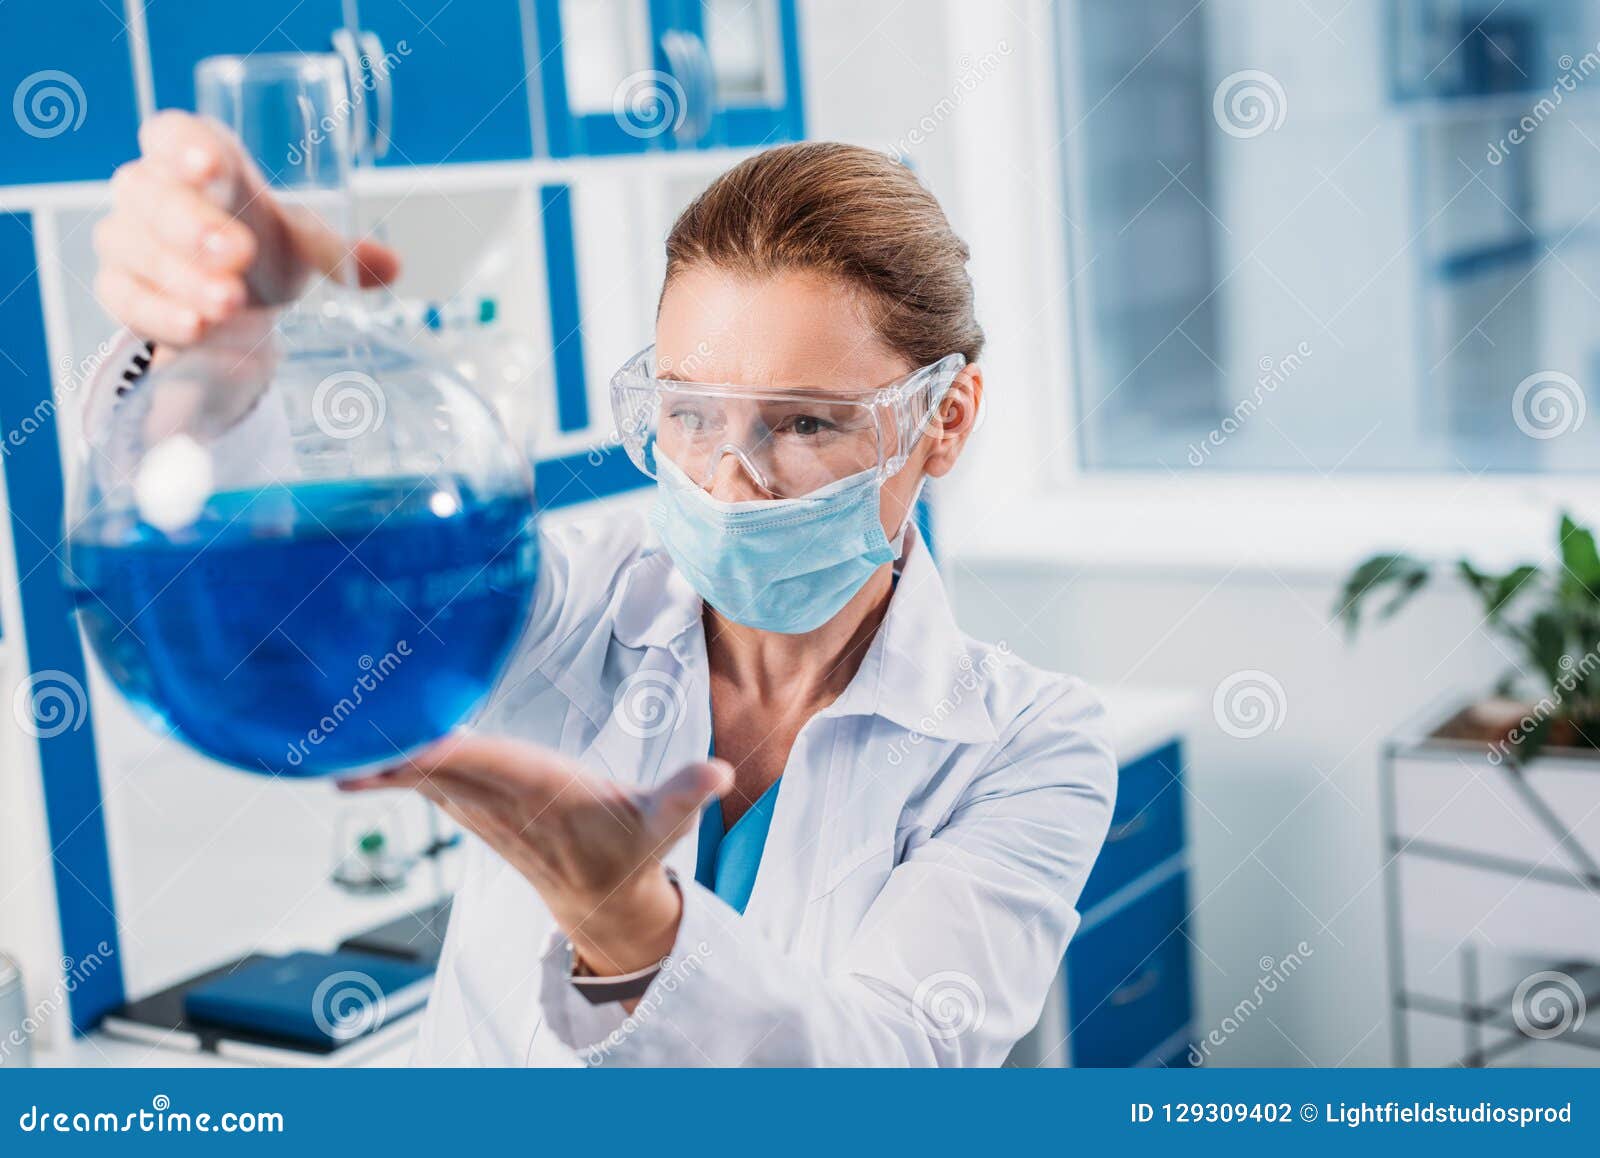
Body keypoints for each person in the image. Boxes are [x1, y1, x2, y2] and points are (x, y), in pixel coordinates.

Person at [92, 111, 1117, 1067]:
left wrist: (626, 925)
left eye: (804, 424)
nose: (727, 479)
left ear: (944, 418)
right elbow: (279, 619)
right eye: (689, 414)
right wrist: (210, 365)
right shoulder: (562, 603)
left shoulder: (1029, 749)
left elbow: (887, 1076)